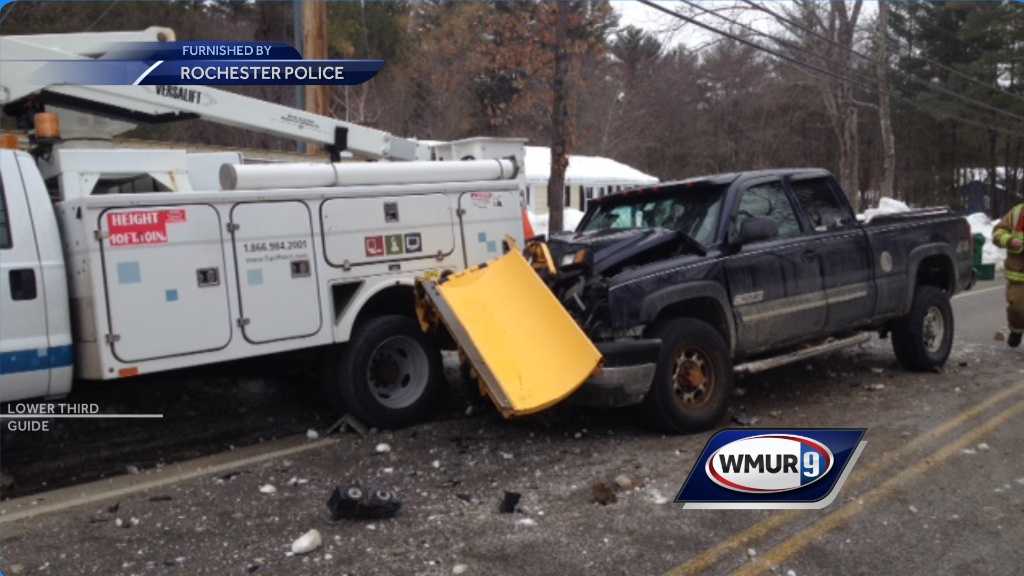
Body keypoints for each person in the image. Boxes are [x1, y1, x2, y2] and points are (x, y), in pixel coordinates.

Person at [992, 203, 1024, 347]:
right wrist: (1010, 241)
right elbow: (998, 232)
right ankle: (1016, 329)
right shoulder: (1017, 212)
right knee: (1017, 308)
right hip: (1018, 273)